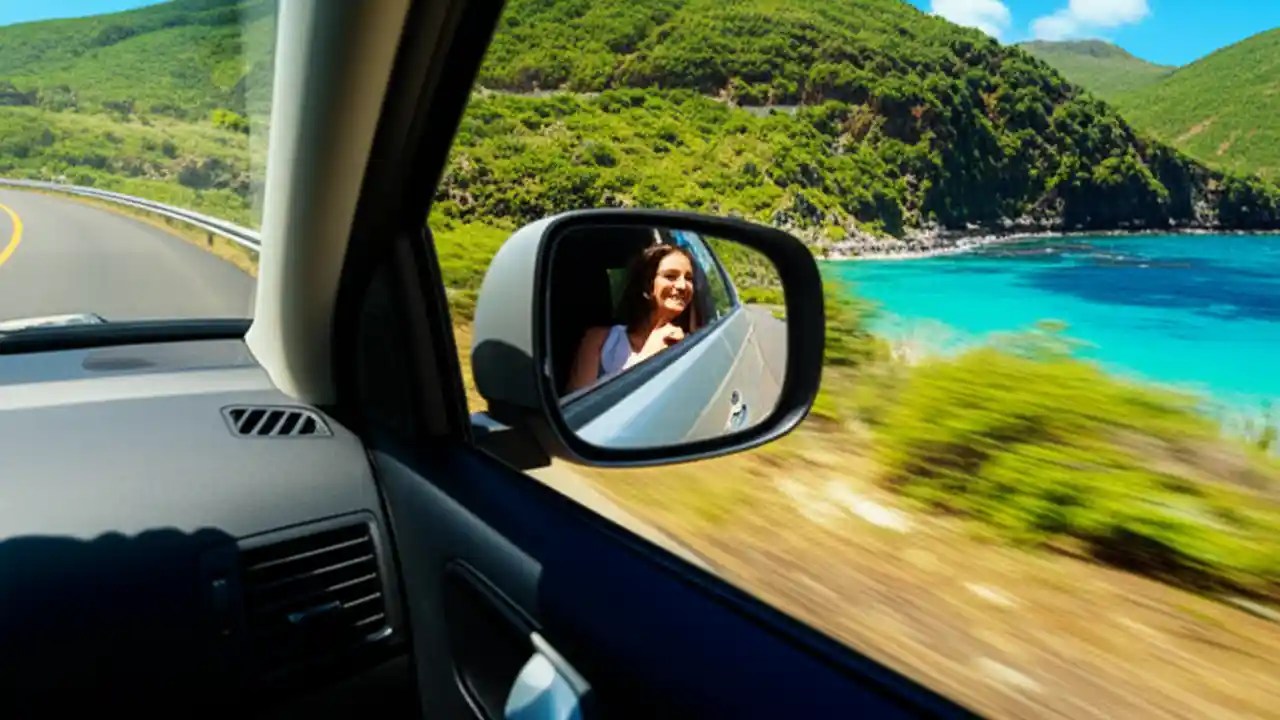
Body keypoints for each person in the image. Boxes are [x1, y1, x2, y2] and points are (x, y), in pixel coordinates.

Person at [566, 243, 698, 393]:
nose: (682, 285)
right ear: (647, 286)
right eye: (670, 276)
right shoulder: (599, 339)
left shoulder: (689, 344)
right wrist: (648, 354)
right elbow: (580, 410)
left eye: (689, 278)